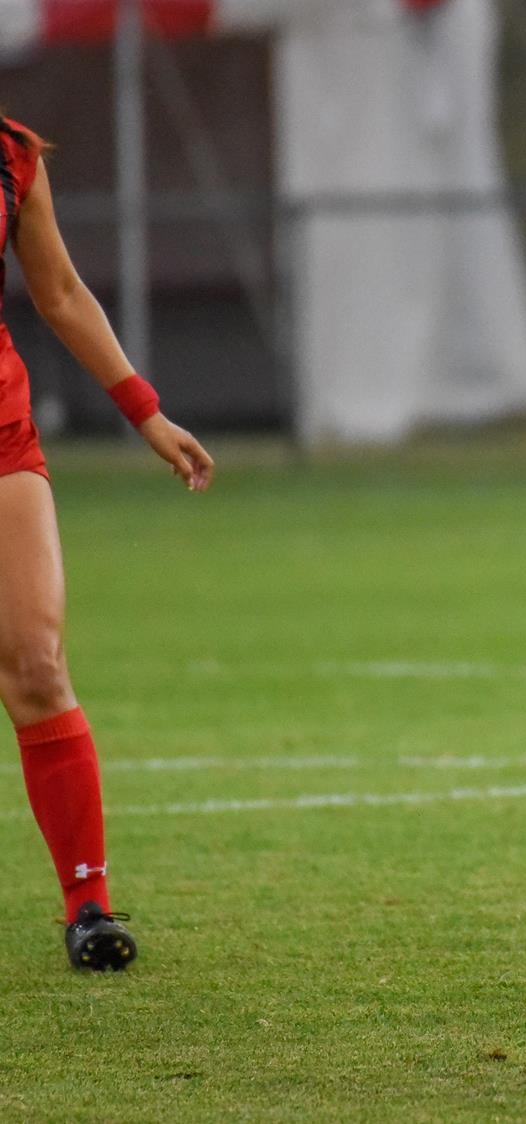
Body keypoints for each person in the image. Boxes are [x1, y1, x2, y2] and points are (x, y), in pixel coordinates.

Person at [0, 117, 214, 970]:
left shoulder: (11, 154)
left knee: (38, 668)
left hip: (2, 433)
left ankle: (87, 906)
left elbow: (58, 292)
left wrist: (145, 410)